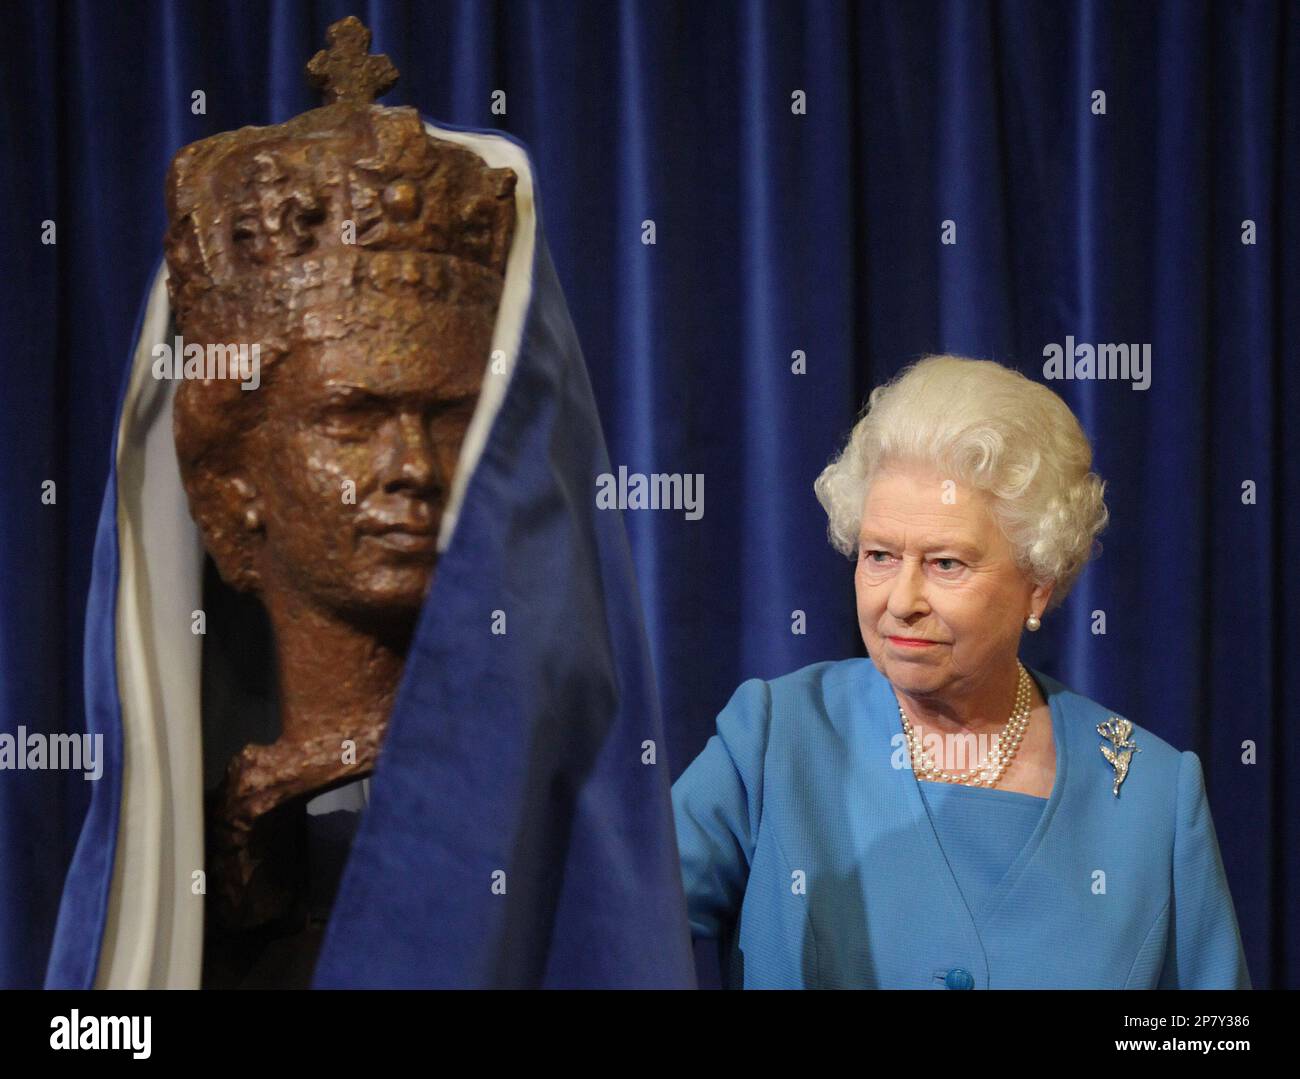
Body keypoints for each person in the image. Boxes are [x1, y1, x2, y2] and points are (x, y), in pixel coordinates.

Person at [672, 354, 1251, 989]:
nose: (901, 600)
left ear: (1037, 582)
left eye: (946, 563)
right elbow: (611, 928)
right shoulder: (772, 740)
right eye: (880, 556)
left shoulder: (1152, 794)